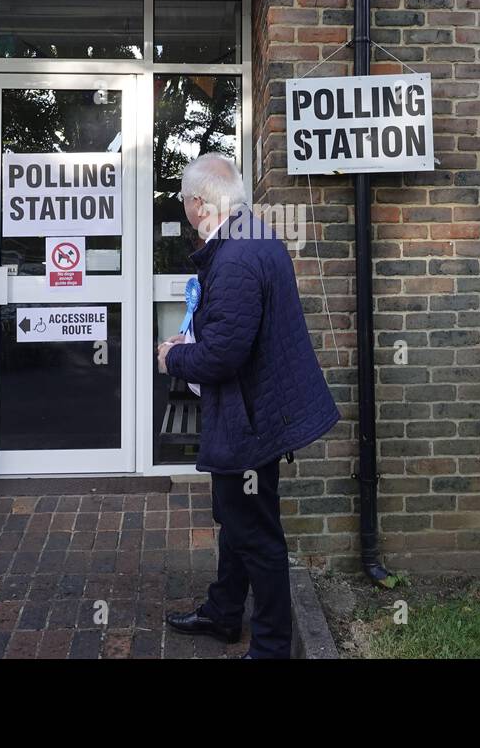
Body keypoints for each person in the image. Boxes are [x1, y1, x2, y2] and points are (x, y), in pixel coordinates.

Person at [158, 154, 340, 659]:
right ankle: (222, 613)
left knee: (255, 533)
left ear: (199, 203)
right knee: (237, 517)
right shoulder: (253, 234)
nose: (185, 210)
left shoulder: (236, 255)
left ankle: (271, 646)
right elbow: (235, 334)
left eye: (184, 201)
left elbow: (222, 355)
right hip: (258, 410)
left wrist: (175, 357)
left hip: (251, 418)